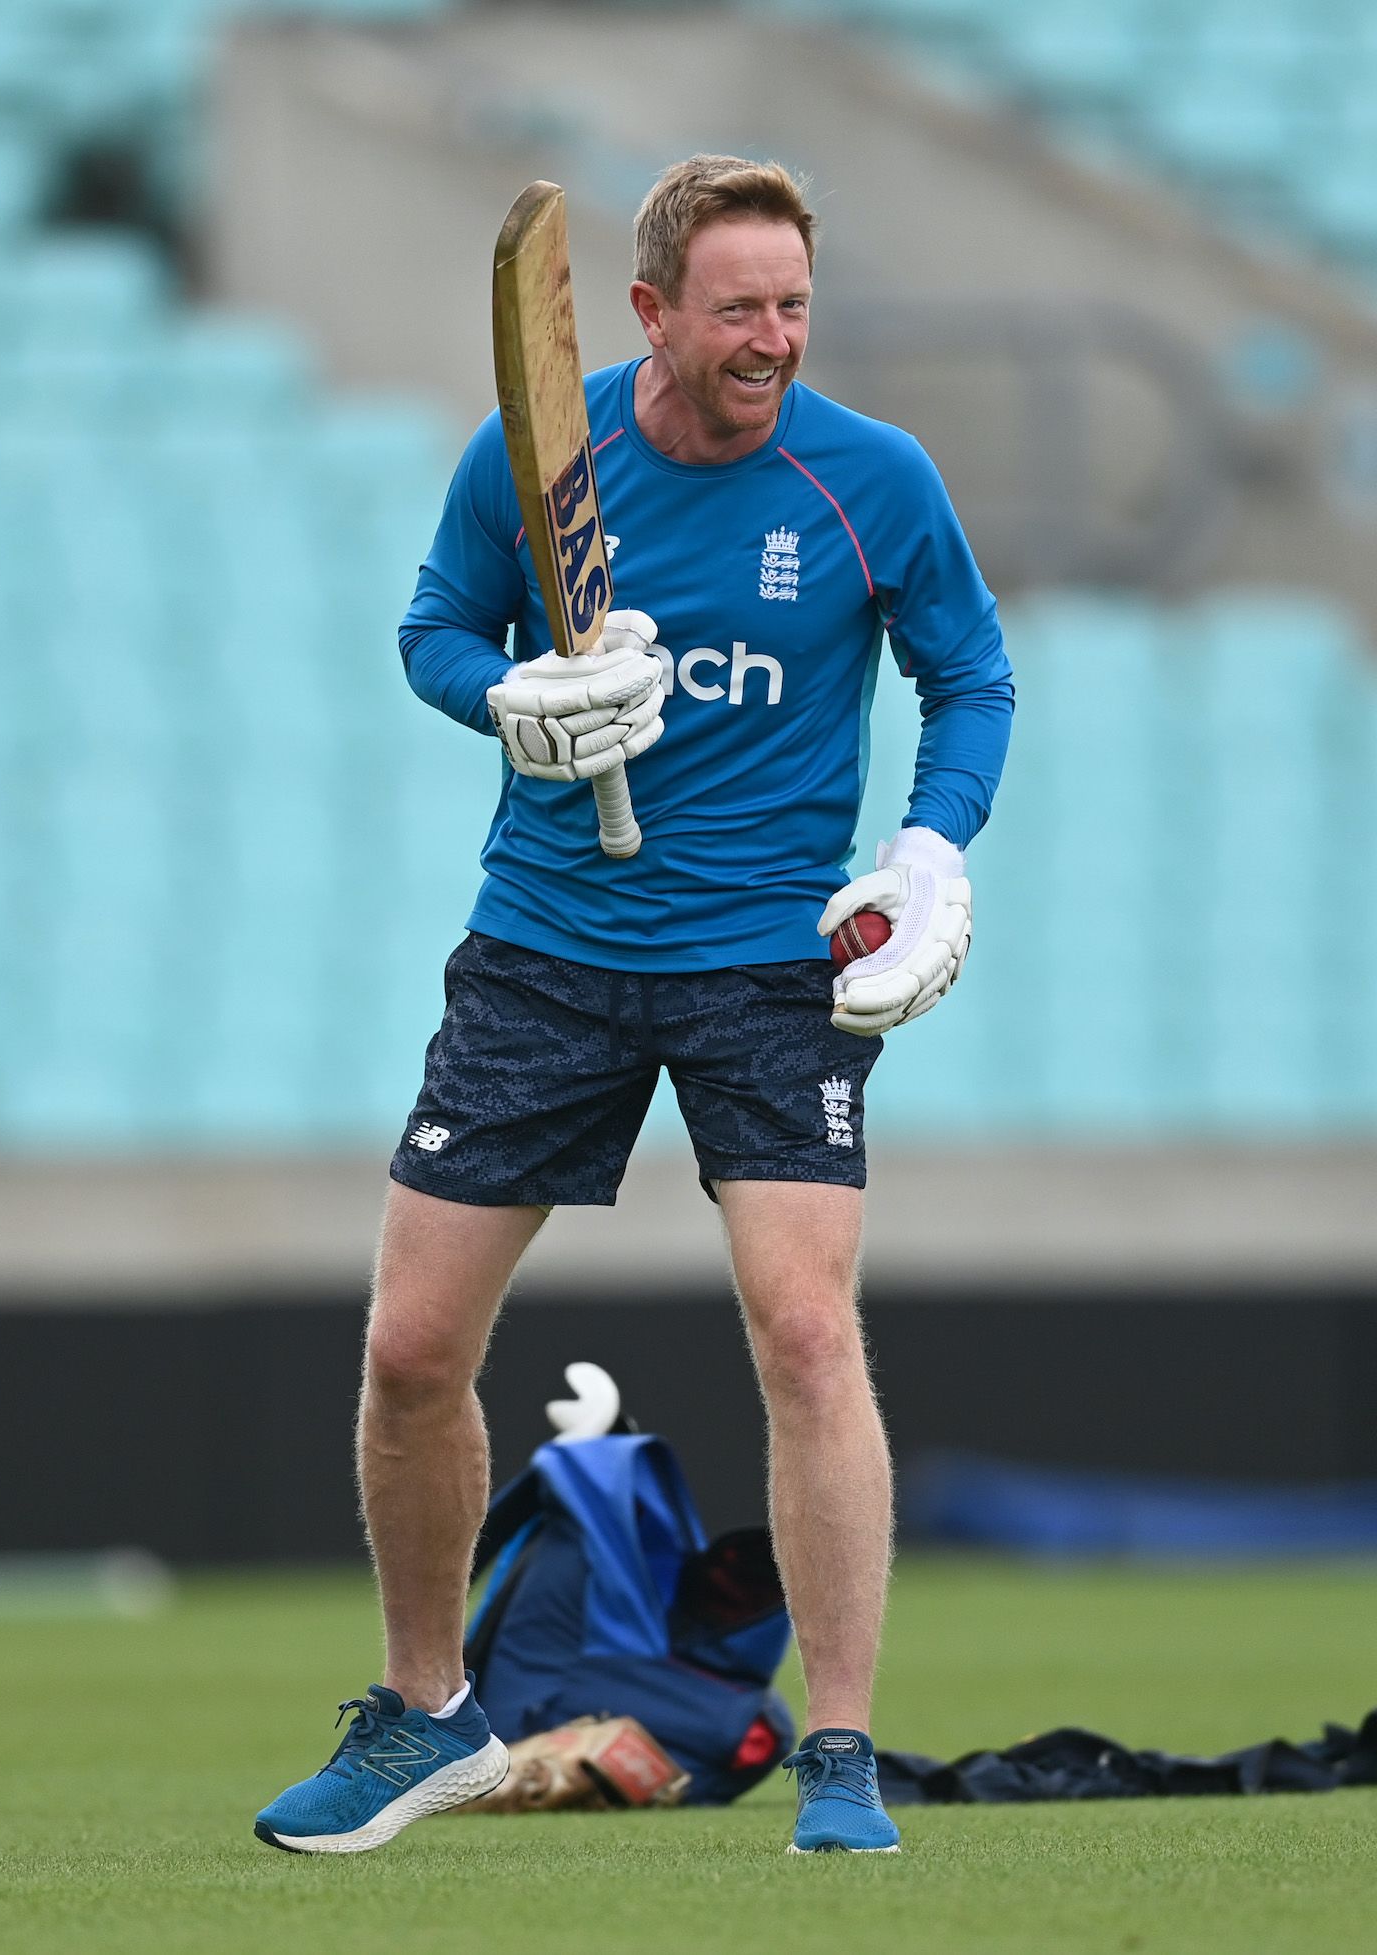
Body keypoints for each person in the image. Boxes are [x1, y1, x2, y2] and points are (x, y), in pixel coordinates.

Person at [254, 154, 1013, 1858]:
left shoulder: (870, 482)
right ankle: (426, 1715)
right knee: (409, 1348)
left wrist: (931, 845)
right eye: (740, 309)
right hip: (546, 947)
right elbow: (434, 627)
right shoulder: (541, 456)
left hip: (769, 961)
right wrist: (510, 697)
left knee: (808, 1334)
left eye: (797, 307)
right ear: (654, 311)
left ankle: (836, 1755)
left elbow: (969, 671)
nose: (774, 340)